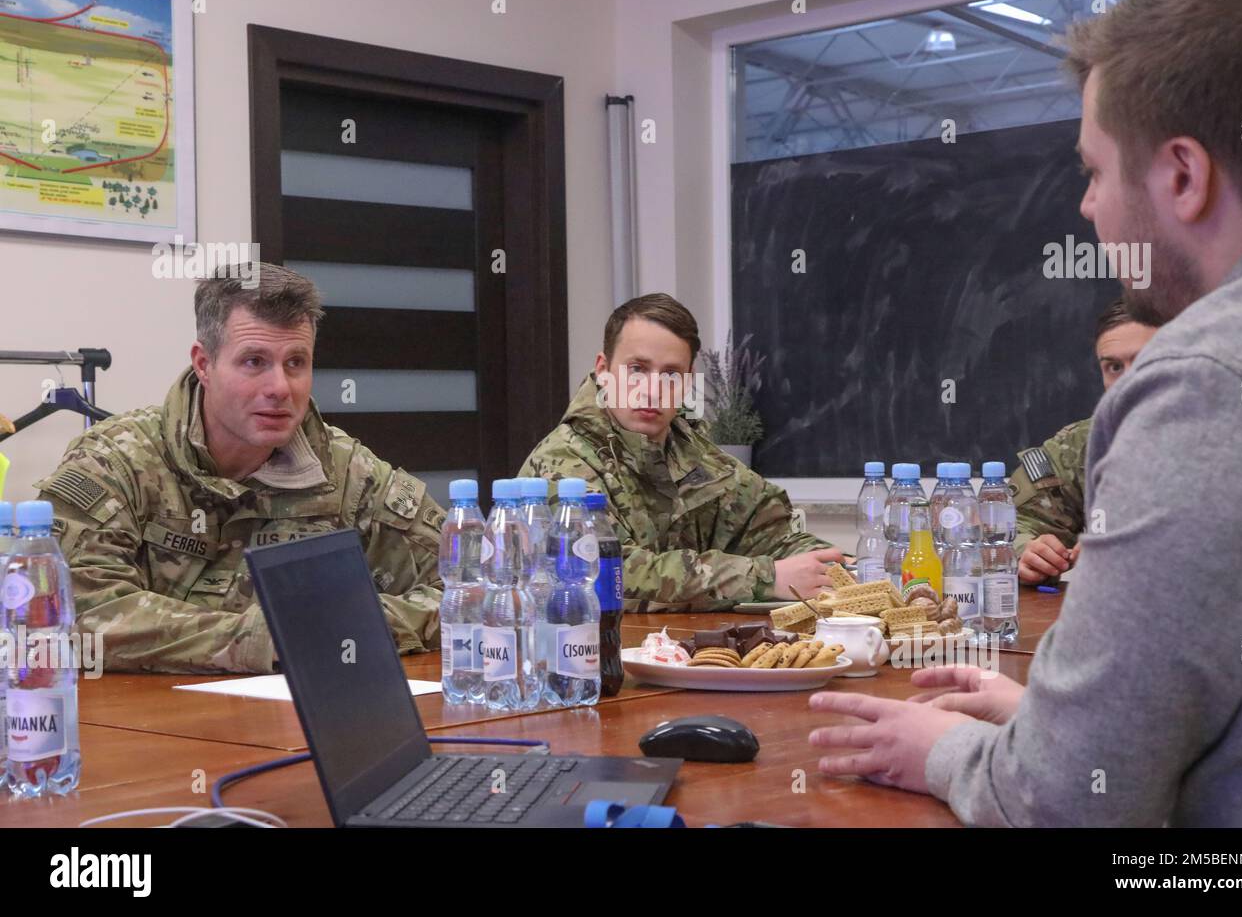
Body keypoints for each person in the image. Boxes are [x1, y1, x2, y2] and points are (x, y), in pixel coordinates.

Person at [808, 0, 1242, 825]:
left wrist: (951, 753)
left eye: (1095, 171)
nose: (1085, 208)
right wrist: (1044, 725)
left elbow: (1066, 803)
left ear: (1183, 176)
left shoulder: (1212, 383)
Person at [35, 264, 444, 674]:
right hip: (137, 723)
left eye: (296, 362)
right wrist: (262, 640)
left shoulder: (347, 472)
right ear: (203, 363)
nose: (280, 388)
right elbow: (73, 609)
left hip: (288, 723)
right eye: (254, 362)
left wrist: (347, 625)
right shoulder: (116, 462)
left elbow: (474, 584)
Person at [519, 293, 843, 612]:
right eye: (637, 369)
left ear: (688, 382)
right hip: (585, 652)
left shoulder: (690, 450)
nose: (653, 389)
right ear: (603, 369)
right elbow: (613, 572)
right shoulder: (561, 462)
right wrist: (764, 578)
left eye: (671, 374)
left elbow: (768, 532)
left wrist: (836, 566)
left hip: (685, 652)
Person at [1012, 298, 1157, 583]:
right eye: (1115, 367)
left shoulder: (1234, 437)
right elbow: (1011, 524)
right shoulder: (1079, 446)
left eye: (1146, 361)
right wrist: (1026, 552)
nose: (1128, 382)